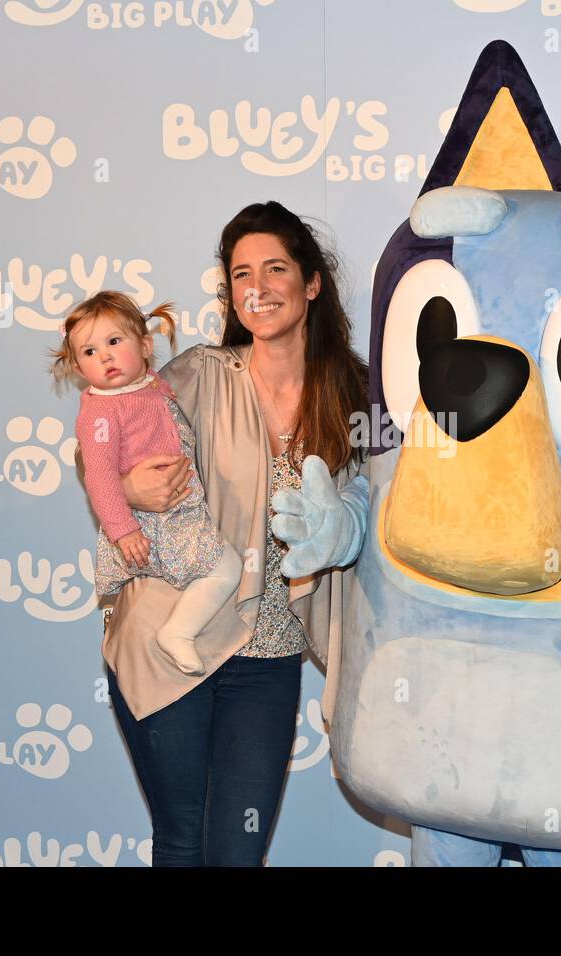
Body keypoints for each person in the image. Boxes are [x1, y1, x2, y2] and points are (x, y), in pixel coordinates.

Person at [99, 201, 371, 867]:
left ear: (311, 283)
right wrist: (128, 488)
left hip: (269, 659)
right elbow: (112, 434)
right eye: (241, 273)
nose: (257, 286)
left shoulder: (355, 394)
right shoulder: (196, 375)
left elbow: (385, 504)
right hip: (173, 639)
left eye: (275, 268)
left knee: (236, 855)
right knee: (183, 841)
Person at [53, 291, 242, 677]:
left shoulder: (150, 385)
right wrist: (124, 532)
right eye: (88, 352)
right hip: (152, 528)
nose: (104, 357)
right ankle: (178, 631)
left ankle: (179, 629)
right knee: (227, 568)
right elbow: (101, 477)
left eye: (114, 342)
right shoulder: (100, 414)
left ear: (145, 346)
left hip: (177, 511)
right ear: (77, 367)